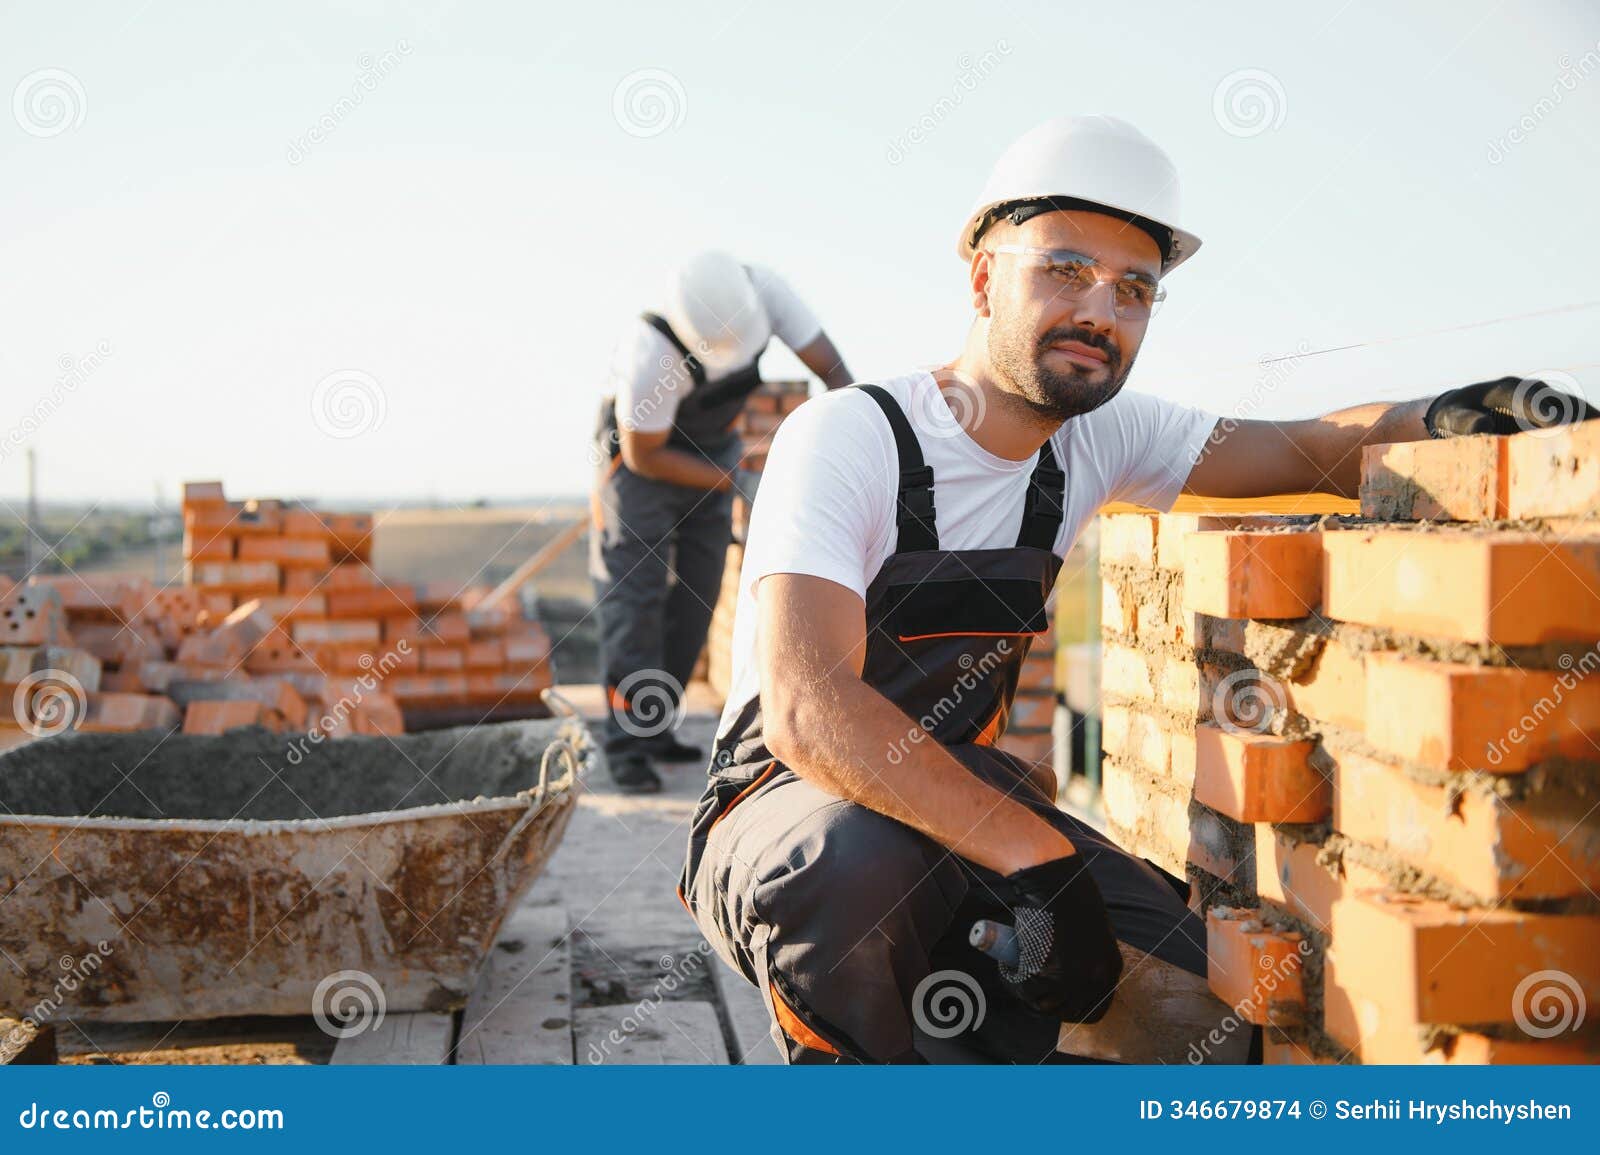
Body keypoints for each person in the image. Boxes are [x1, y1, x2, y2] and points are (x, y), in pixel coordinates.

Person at [678, 114, 1596, 1063]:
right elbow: (806, 707)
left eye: (1134, 291)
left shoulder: (1094, 440)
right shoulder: (850, 437)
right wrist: (1037, 862)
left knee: (1199, 1006)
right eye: (1064, 271)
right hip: (785, 804)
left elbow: (1310, 448)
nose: (1100, 312)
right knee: (859, 869)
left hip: (956, 789)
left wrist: (1453, 416)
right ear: (986, 278)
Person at [590, 251, 853, 794]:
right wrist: (728, 477)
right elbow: (645, 456)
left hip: (712, 454)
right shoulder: (652, 353)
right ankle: (626, 746)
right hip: (642, 467)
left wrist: (859, 427)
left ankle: (657, 726)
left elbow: (832, 370)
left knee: (697, 597)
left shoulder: (767, 292)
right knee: (634, 603)